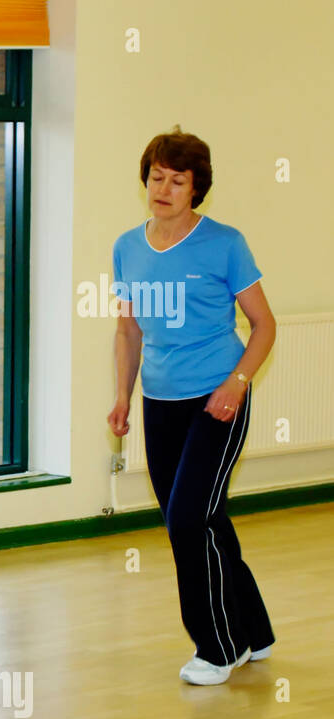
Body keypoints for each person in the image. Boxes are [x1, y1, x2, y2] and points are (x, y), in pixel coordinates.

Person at [107, 125, 277, 686]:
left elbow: (263, 324)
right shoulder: (128, 247)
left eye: (177, 180)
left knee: (186, 521)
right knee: (204, 519)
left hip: (217, 400)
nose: (164, 188)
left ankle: (218, 645)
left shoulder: (224, 243)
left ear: (195, 188)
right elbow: (128, 331)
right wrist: (122, 398)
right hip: (160, 402)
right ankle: (254, 629)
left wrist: (238, 382)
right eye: (157, 177)